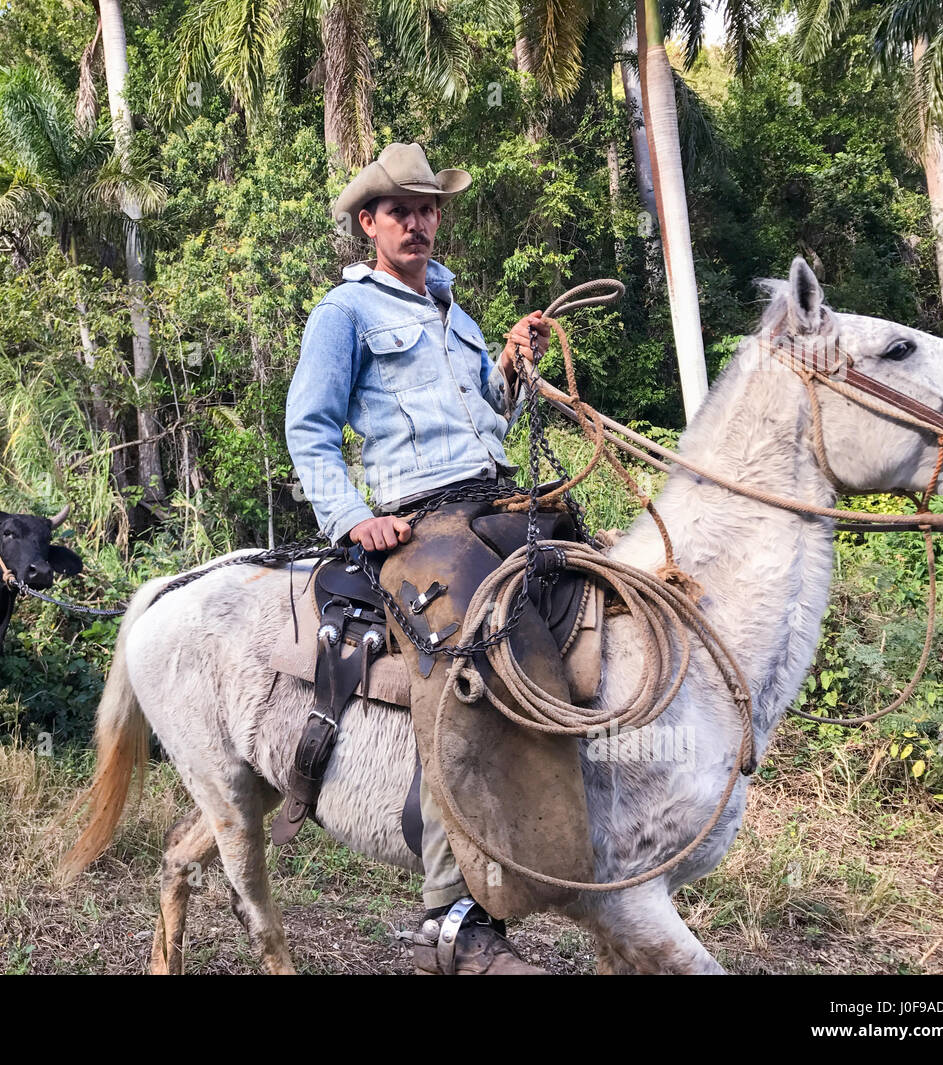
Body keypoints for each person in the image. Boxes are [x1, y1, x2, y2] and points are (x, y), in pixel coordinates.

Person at [285, 142, 550, 974]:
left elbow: (492, 415)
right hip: (419, 520)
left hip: (495, 500)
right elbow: (310, 427)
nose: (419, 222)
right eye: (401, 210)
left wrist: (508, 363)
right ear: (370, 222)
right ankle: (455, 912)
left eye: (429, 208)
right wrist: (351, 517)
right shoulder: (345, 312)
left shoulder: (456, 314)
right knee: (463, 668)